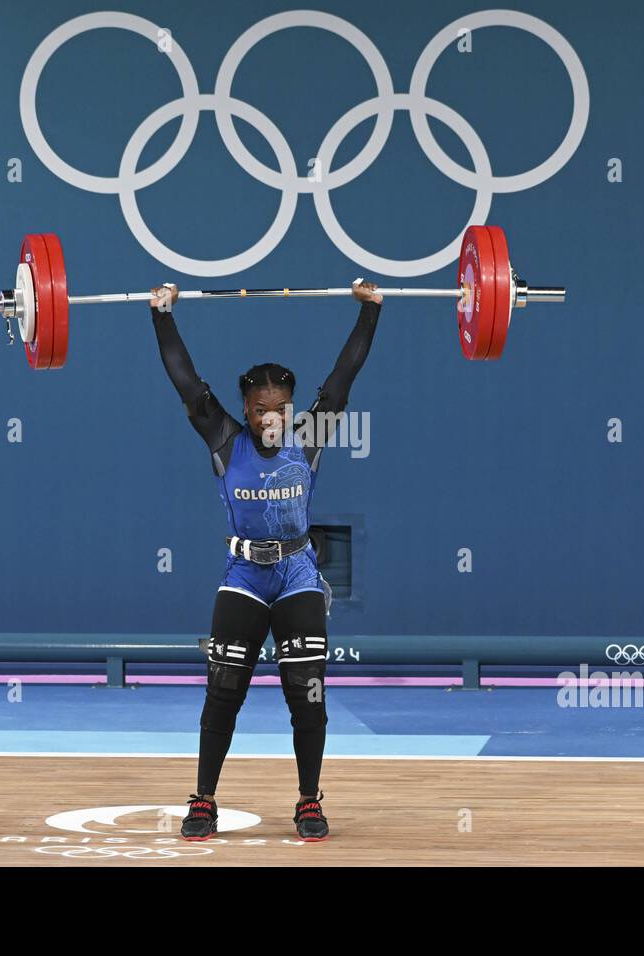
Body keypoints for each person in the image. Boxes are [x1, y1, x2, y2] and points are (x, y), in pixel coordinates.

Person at [148, 279, 382, 842]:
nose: (270, 419)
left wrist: (370, 311)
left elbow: (343, 378)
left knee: (308, 692)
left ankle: (308, 800)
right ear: (245, 410)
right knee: (224, 689)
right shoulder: (224, 439)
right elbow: (185, 379)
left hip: (298, 572)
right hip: (245, 575)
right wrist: (162, 315)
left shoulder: (312, 435)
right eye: (259, 410)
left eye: (280, 409)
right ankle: (203, 800)